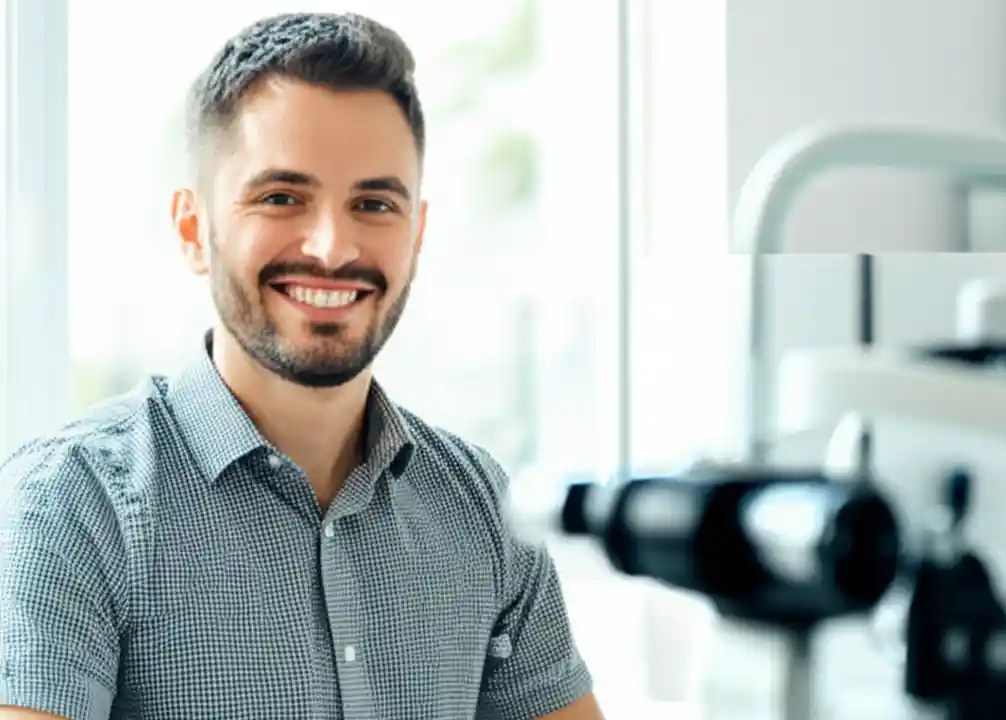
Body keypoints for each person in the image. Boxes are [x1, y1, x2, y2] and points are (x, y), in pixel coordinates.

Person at [0, 11, 602, 720]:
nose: (331, 246)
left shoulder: (481, 508)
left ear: (416, 233)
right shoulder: (72, 505)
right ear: (196, 230)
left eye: (373, 203)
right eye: (282, 197)